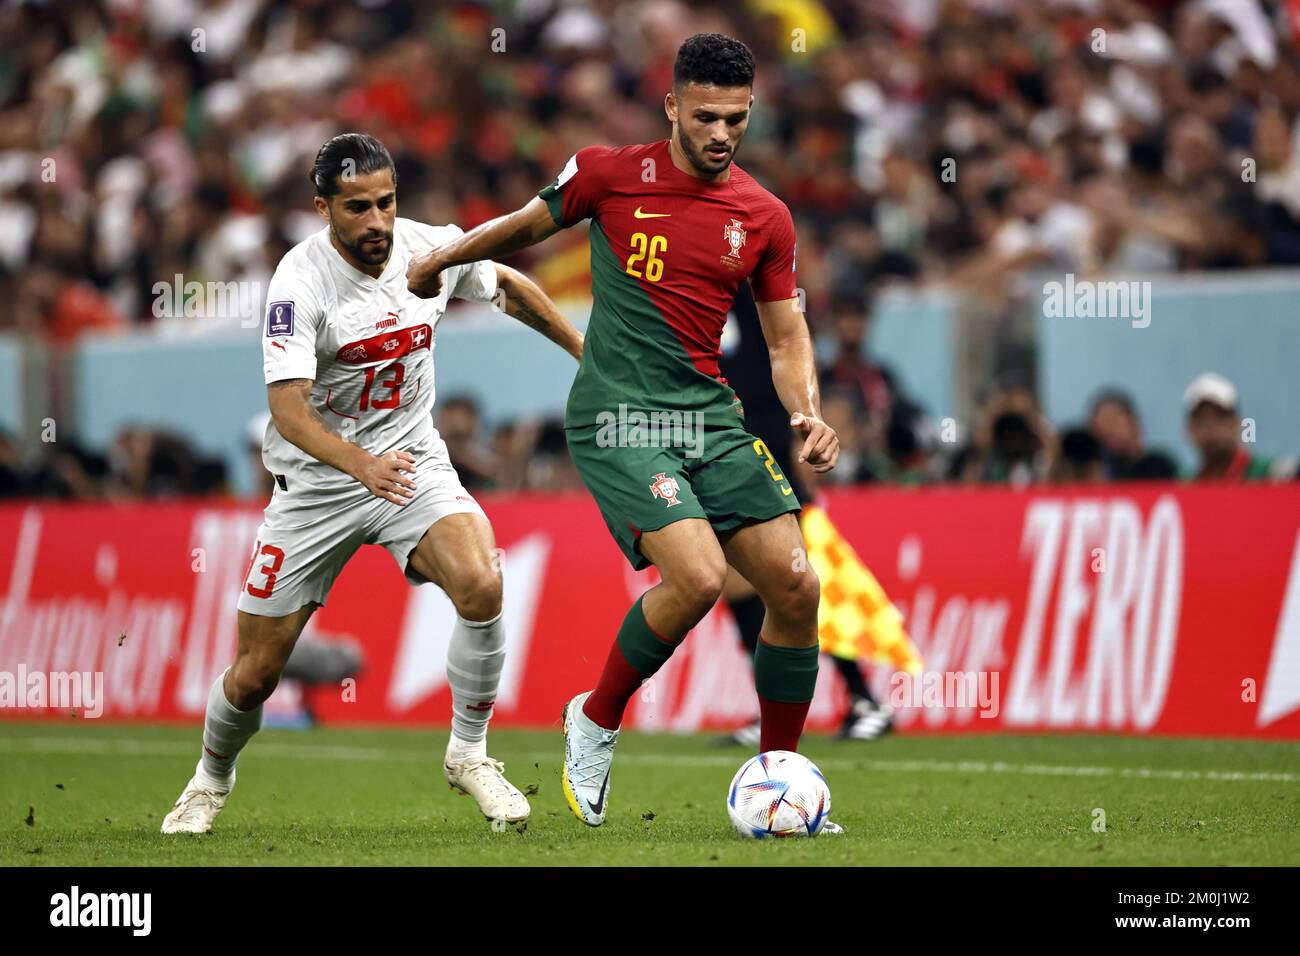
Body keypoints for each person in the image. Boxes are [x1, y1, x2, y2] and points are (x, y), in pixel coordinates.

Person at [407, 34, 842, 831]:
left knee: (797, 586)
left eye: (736, 120)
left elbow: (785, 339)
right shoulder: (608, 173)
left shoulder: (764, 216)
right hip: (618, 413)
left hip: (709, 415)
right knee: (700, 577)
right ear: (673, 106)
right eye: (706, 116)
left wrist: (807, 411)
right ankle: (596, 718)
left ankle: (779, 774)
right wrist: (442, 258)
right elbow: (523, 228)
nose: (720, 134)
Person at [161, 133, 584, 835]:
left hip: (411, 462)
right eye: (358, 207)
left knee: (481, 581)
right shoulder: (299, 285)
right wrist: (360, 466)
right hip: (318, 488)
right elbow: (288, 410)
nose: (377, 221)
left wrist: (583, 352)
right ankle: (210, 779)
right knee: (256, 674)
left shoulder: (432, 250)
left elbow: (504, 283)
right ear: (323, 207)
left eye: (386, 202)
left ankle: (470, 754)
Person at [1184, 373, 1297, 481]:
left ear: (1238, 423)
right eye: (1201, 420)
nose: (1211, 427)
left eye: (1220, 417)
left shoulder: (1271, 475)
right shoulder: (1183, 485)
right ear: (1189, 430)